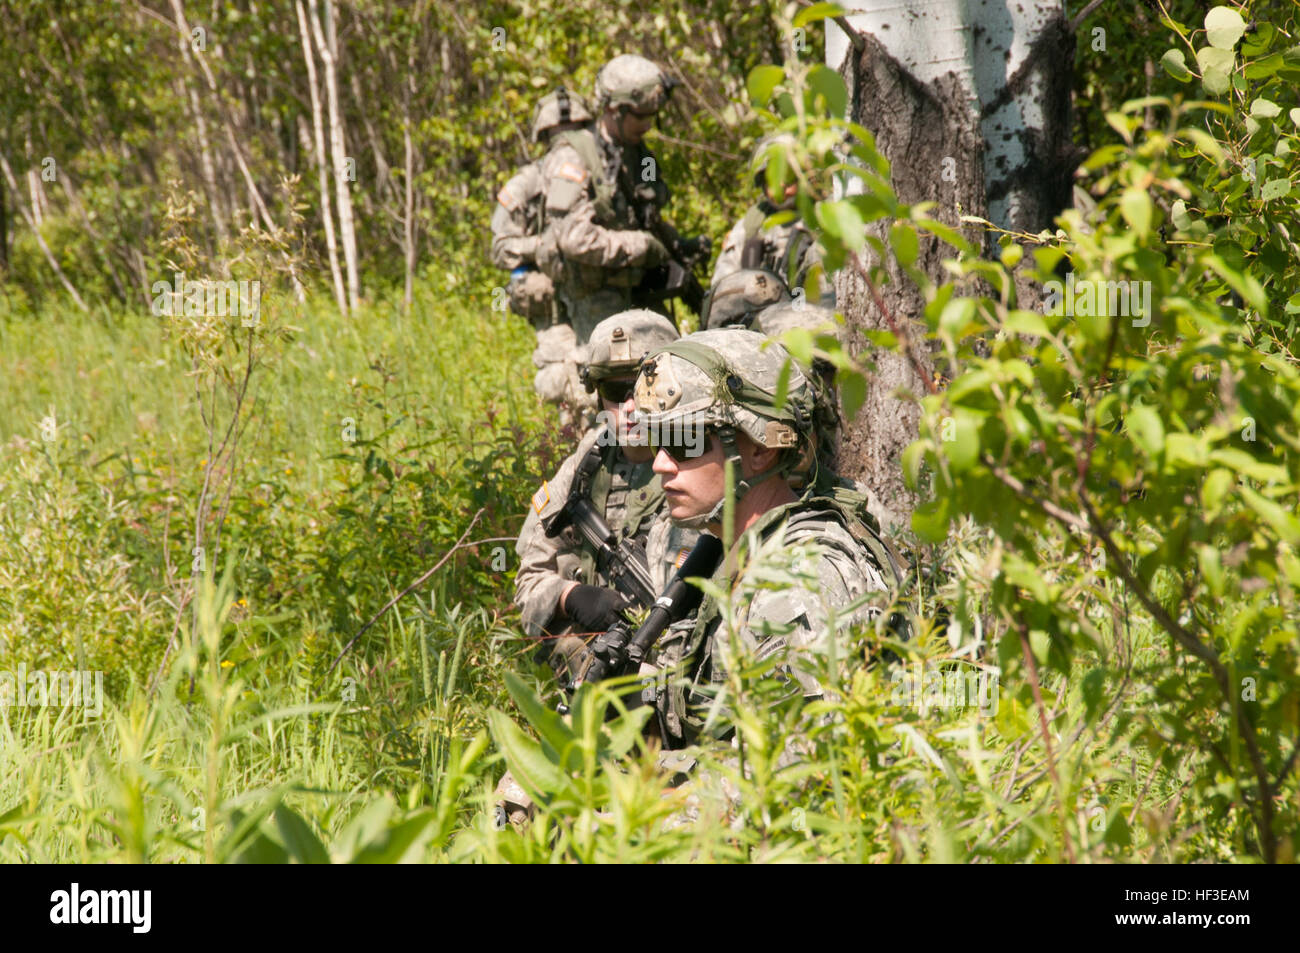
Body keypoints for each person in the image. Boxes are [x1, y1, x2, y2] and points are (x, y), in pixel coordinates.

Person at [629, 328, 898, 750]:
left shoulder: (796, 579)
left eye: (683, 441)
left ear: (760, 450)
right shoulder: (735, 551)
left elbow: (798, 775)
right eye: (655, 441)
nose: (661, 464)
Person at [513, 309, 697, 684]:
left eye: (641, 388)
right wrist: (571, 596)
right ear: (597, 396)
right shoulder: (589, 462)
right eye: (614, 392)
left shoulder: (701, 459)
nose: (629, 406)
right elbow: (528, 584)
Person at [534, 54, 705, 346]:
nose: (648, 124)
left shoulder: (639, 156)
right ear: (613, 109)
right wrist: (639, 246)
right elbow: (574, 238)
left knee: (673, 365)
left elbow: (648, 217)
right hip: (595, 295)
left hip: (641, 288)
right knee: (611, 377)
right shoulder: (572, 158)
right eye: (641, 115)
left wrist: (678, 246)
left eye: (653, 114)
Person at [489, 88, 596, 423]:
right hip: (554, 304)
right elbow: (501, 246)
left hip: (598, 293)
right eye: (559, 134)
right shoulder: (528, 182)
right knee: (567, 388)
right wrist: (545, 247)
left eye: (577, 129)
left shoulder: (599, 171)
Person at [709, 133, 834, 308]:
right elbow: (722, 288)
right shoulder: (751, 225)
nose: (780, 185)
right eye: (771, 178)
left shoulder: (827, 218)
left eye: (787, 176)